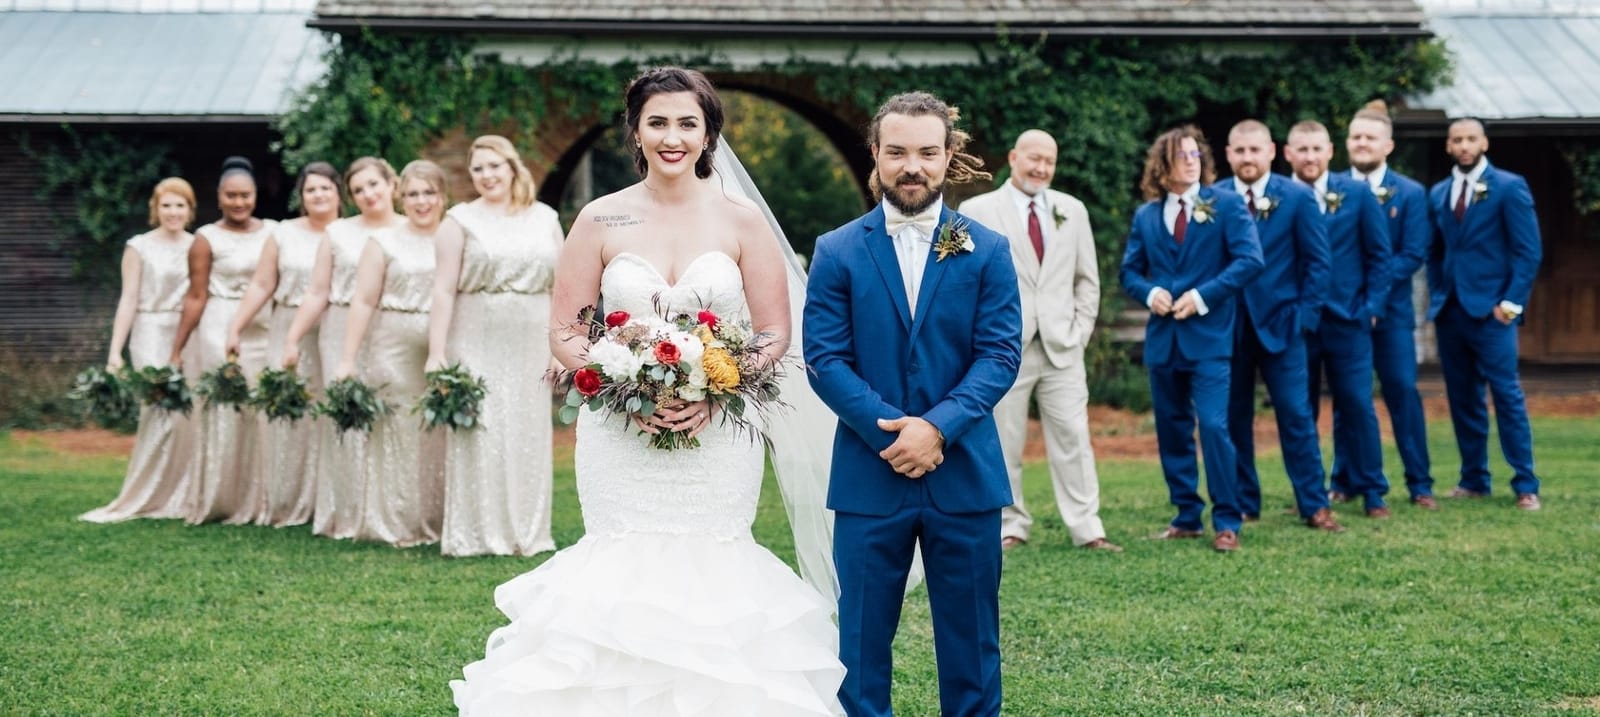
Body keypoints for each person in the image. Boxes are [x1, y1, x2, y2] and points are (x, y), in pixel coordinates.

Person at [451, 67, 844, 715]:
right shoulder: (602, 218)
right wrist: (620, 377)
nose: (672, 136)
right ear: (635, 130)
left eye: (687, 123)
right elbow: (565, 328)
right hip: (619, 431)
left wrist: (715, 388)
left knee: (712, 562)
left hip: (717, 436)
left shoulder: (743, 222)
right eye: (658, 122)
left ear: (708, 132)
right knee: (620, 559)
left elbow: (775, 334)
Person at [806, 91, 1020, 717]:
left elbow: (999, 356)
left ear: (949, 156)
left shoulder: (988, 248)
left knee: (973, 644)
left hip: (966, 475)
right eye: (897, 152)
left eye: (927, 152)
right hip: (870, 477)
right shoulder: (837, 249)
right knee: (861, 647)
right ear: (875, 154)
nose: (912, 166)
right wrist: (893, 436)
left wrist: (938, 428)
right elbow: (825, 359)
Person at [958, 129, 1119, 552]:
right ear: (1013, 157)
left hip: (1063, 347)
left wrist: (1080, 332)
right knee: (1004, 438)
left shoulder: (1072, 210)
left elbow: (1088, 281)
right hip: (1002, 349)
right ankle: (1011, 524)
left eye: (1049, 161)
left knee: (1073, 438)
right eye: (1034, 158)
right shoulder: (978, 209)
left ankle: (1087, 527)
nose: (1041, 168)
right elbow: (963, 282)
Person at [1119, 125, 1263, 553]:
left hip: (1210, 338)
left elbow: (1250, 260)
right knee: (1172, 429)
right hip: (1164, 340)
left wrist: (1202, 297)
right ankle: (1185, 515)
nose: (1190, 161)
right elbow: (1130, 271)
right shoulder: (1147, 215)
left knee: (1215, 427)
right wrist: (1151, 293)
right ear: (1162, 164)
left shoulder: (1227, 204)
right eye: (1181, 155)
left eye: (1195, 155)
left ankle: (1227, 519)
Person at [427, 135, 565, 557]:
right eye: (477, 169)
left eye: (493, 166)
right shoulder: (458, 220)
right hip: (475, 333)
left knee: (525, 430)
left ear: (512, 167)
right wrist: (436, 353)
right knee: (482, 429)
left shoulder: (545, 218)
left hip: (531, 334)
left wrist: (560, 350)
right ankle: (475, 533)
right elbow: (443, 290)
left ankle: (527, 530)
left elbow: (563, 289)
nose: (486, 175)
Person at [1212, 120, 1341, 532]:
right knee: (1234, 419)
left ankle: (1314, 504)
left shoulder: (1299, 197)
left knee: (1296, 416)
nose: (1248, 158)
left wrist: (1304, 317)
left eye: (1255, 150)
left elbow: (1318, 262)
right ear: (1229, 154)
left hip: (1284, 326)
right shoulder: (1213, 200)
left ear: (1271, 151)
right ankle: (1245, 501)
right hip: (1228, 329)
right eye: (1240, 151)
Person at [282, 157, 405, 540]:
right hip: (339, 328)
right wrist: (291, 338)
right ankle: (348, 510)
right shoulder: (337, 233)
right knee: (345, 417)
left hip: (392, 330)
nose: (368, 194)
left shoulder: (413, 227)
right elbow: (317, 291)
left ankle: (393, 508)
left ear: (390, 183)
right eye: (358, 190)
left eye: (373, 185)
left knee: (393, 416)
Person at [1426, 117, 1543, 510]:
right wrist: (1440, 292)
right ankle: (1473, 479)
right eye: (1456, 139)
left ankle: (1526, 484)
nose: (1463, 145)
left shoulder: (1509, 187)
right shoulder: (1440, 192)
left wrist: (1510, 304)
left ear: (1484, 143)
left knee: (1507, 395)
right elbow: (1437, 250)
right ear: (1448, 146)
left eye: (1470, 139)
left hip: (1494, 314)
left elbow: (1528, 251)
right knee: (1463, 399)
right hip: (1452, 312)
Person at [331, 159, 448, 548]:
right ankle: (394, 522)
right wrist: (347, 360)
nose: (421, 201)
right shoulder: (383, 242)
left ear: (442, 196)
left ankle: (434, 518)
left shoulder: (453, 236)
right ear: (401, 196)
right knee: (397, 431)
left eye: (428, 193)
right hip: (392, 344)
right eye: (413, 194)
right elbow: (363, 301)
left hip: (441, 346)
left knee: (435, 433)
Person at [1283, 120, 1394, 519]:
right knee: (1300, 409)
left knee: (1357, 405)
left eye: (1317, 149)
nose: (1310, 157)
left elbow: (1381, 255)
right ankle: (1311, 493)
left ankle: (1373, 491)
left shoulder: (1357, 194)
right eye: (1303, 149)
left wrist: (1371, 307)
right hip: (1298, 323)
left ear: (1330, 152)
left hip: (1349, 319)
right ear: (1288, 154)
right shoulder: (1280, 196)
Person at [226, 162, 342, 527]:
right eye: (311, 190)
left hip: (337, 329)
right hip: (288, 326)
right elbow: (262, 284)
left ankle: (333, 500)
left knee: (331, 413)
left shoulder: (351, 233)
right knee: (287, 417)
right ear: (301, 196)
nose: (318, 195)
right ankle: (287, 499)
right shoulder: (282, 234)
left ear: (338, 192)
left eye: (325, 188)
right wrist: (236, 326)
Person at [80, 178, 199, 523]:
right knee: (159, 412)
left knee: (185, 417)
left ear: (190, 210)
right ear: (155, 209)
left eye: (180, 205)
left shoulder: (197, 245)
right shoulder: (139, 247)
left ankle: (181, 493)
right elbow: (128, 298)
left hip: (186, 332)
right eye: (167, 205)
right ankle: (146, 493)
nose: (173, 212)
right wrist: (115, 352)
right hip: (150, 330)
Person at [1337, 100, 1437, 509]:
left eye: (1370, 138)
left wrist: (1373, 289)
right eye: (1356, 137)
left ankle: (1420, 483)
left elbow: (1413, 253)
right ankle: (1344, 479)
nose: (1362, 144)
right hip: (1345, 311)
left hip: (1392, 313)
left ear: (1388, 145)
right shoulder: (1334, 188)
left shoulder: (1411, 193)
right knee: (1349, 396)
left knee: (1401, 390)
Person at [171, 156, 276, 525]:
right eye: (231, 196)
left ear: (254, 196)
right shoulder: (205, 238)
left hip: (264, 327)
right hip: (219, 325)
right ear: (219, 197)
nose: (238, 203)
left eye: (245, 195)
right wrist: (177, 347)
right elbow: (196, 296)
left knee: (261, 410)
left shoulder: (273, 232)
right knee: (225, 409)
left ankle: (262, 497)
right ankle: (219, 497)